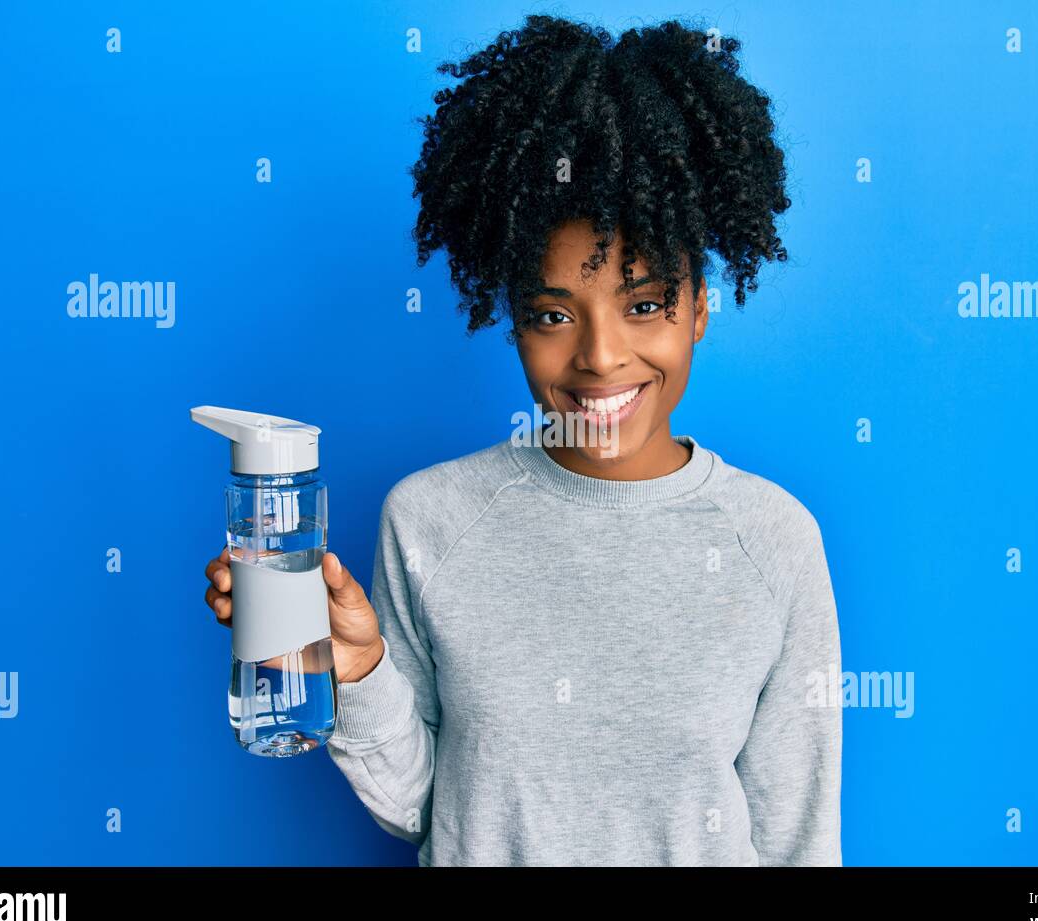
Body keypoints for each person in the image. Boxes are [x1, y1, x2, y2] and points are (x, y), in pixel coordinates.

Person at [204, 14, 841, 866]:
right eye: (551, 315)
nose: (601, 355)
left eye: (644, 304)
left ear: (697, 309)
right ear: (510, 322)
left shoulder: (774, 540)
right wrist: (353, 668)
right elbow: (420, 808)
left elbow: (800, 842)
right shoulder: (429, 518)